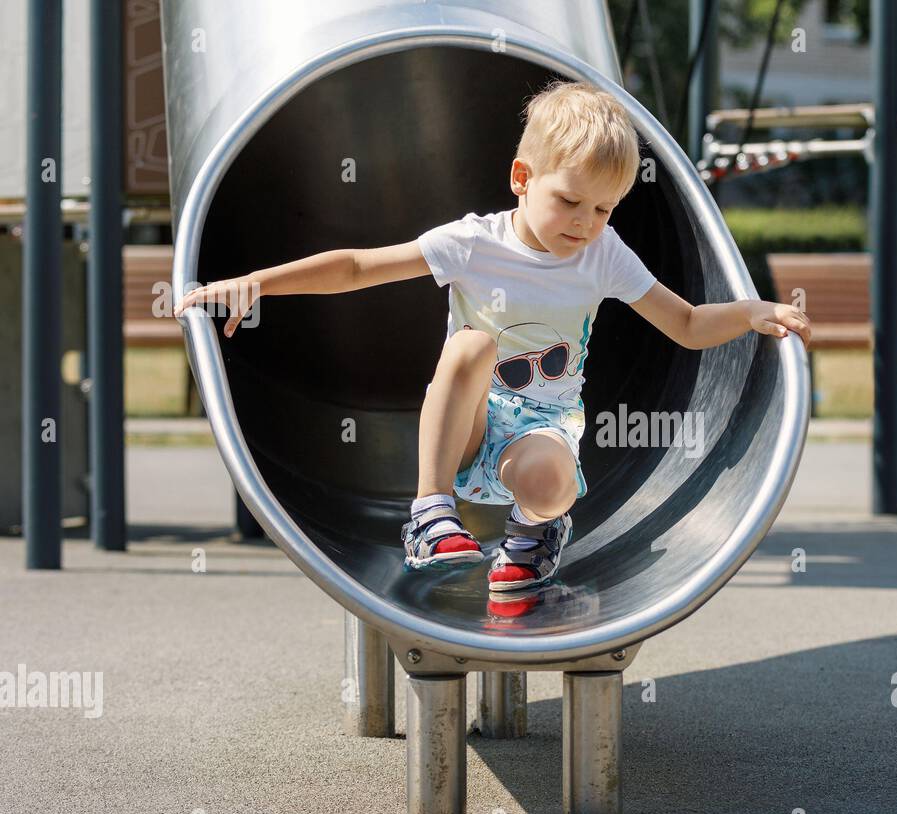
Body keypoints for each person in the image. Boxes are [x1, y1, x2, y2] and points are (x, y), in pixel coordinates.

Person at [174, 79, 811, 592]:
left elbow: (688, 324)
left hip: (542, 426)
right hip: (472, 418)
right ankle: (430, 511)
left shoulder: (604, 255)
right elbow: (360, 266)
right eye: (569, 201)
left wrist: (751, 310)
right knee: (472, 344)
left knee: (550, 481)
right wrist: (257, 282)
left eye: (603, 208)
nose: (585, 223)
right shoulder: (475, 242)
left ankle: (534, 533)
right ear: (522, 178)